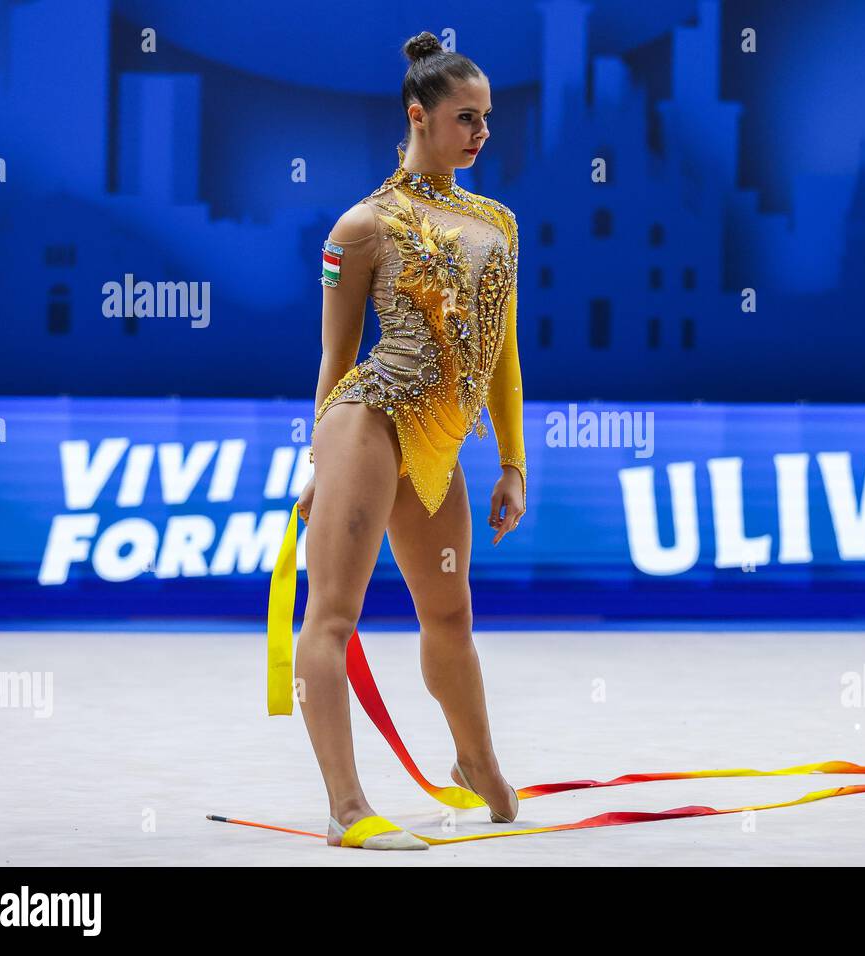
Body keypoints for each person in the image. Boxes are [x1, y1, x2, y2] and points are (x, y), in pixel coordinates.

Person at [293, 30, 526, 850]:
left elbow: (501, 352)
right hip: (368, 422)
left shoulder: (497, 224)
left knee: (451, 614)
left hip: (438, 445)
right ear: (419, 117)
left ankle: (474, 761)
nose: (482, 133)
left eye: (488, 118)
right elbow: (335, 354)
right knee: (331, 616)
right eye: (467, 118)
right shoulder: (361, 225)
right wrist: (318, 461)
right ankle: (346, 808)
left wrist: (510, 463)